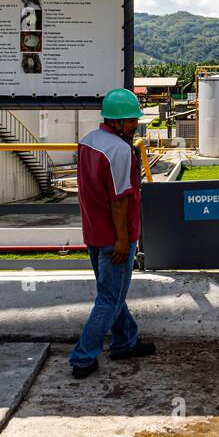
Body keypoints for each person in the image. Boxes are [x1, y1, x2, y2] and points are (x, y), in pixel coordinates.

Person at [69, 87, 156, 378]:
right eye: (132, 120)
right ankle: (83, 357)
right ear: (118, 122)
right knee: (108, 299)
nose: (135, 125)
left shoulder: (88, 142)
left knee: (112, 293)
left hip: (93, 234)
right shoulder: (119, 150)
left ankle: (125, 340)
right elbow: (120, 200)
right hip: (115, 238)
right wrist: (122, 239)